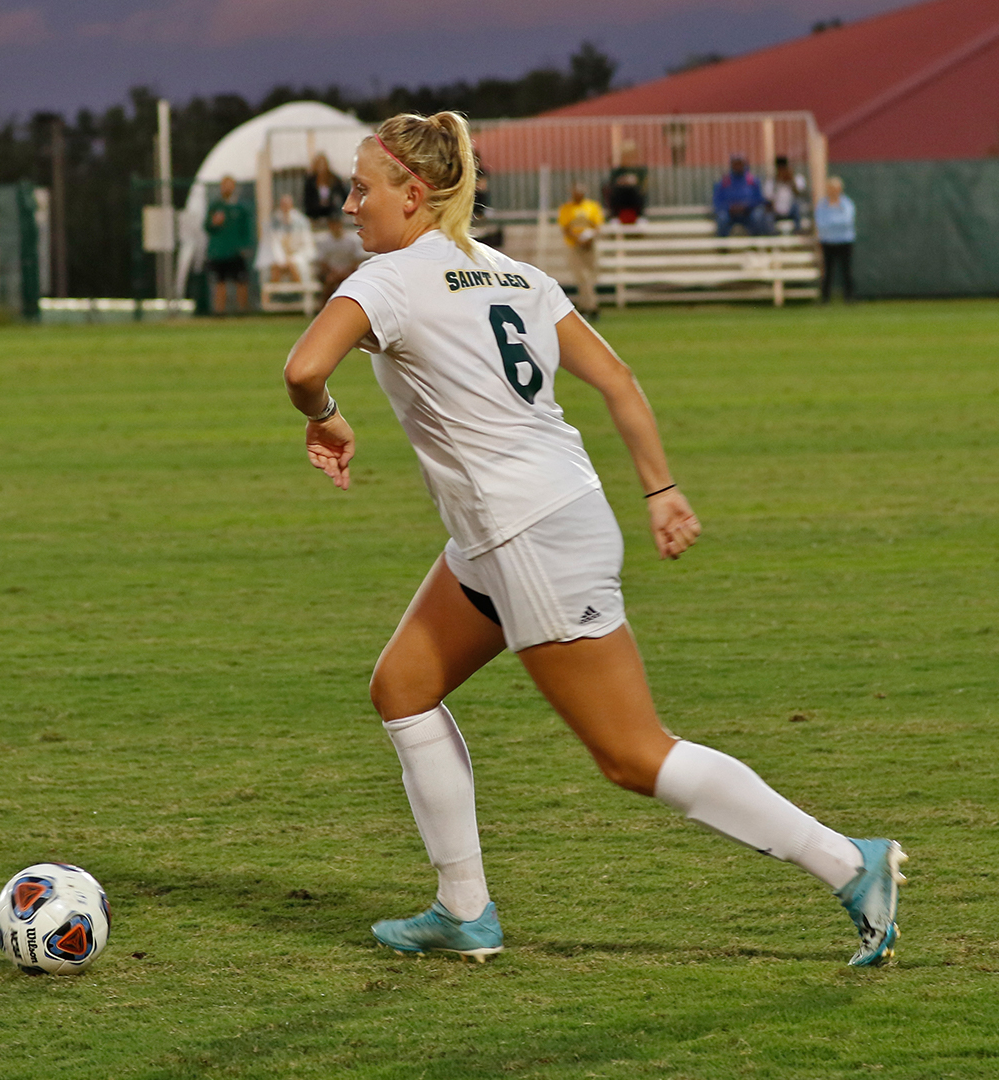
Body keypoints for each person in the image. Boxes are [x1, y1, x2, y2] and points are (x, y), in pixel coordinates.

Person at [283, 111, 908, 968]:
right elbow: (615, 377)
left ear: (414, 195)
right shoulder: (512, 273)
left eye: (362, 188)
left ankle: (849, 863)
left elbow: (303, 369)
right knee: (403, 687)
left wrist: (326, 417)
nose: (350, 204)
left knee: (629, 752)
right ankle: (464, 912)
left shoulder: (384, 279)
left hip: (525, 534)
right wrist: (660, 486)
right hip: (529, 519)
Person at [203, 175, 253, 315]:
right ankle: (219, 313)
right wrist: (214, 222)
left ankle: (243, 312)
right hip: (219, 251)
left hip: (235, 251)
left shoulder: (240, 207)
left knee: (241, 281)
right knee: (220, 282)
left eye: (230, 184)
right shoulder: (216, 206)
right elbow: (207, 226)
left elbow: (246, 229)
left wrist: (245, 245)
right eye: (224, 185)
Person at [557, 182, 603, 318]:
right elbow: (565, 228)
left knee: (591, 277)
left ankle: (585, 306)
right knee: (581, 277)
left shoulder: (592, 207)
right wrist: (578, 240)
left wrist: (588, 239)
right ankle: (591, 306)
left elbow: (597, 225)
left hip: (590, 246)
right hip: (574, 246)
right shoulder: (566, 208)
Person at [814, 176, 856, 303]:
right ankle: (825, 298)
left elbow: (847, 221)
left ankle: (849, 297)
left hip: (845, 241)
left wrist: (831, 222)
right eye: (830, 188)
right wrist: (835, 221)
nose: (833, 191)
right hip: (827, 241)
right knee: (827, 271)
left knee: (846, 270)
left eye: (835, 188)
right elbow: (820, 223)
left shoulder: (846, 203)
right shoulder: (822, 204)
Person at [712, 155, 771, 237]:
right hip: (730, 214)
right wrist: (729, 207)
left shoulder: (752, 181)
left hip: (748, 212)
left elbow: (759, 199)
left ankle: (756, 244)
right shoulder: (724, 182)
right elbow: (717, 201)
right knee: (722, 218)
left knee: (758, 216)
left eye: (740, 164)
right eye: (735, 164)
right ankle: (722, 247)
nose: (738, 166)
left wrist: (747, 206)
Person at [313, 213, 366, 301]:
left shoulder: (351, 240)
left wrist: (346, 271)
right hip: (331, 272)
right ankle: (325, 306)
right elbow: (322, 261)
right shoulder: (325, 242)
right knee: (329, 282)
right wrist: (334, 272)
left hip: (348, 271)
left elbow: (356, 259)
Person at [263, 193, 314, 284]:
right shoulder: (274, 222)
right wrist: (282, 258)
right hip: (280, 257)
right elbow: (273, 244)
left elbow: (307, 244)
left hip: (298, 255)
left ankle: (300, 293)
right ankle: (275, 296)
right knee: (275, 267)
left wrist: (291, 258)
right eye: (283, 204)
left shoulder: (301, 222)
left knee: (293, 265)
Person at [604, 141, 647, 225]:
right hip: (620, 199)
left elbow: (643, 184)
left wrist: (632, 182)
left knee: (635, 190)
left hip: (635, 198)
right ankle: (615, 216)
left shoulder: (641, 170)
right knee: (609, 188)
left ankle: (640, 216)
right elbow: (612, 183)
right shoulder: (616, 171)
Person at [768, 155, 808, 232]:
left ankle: (798, 232)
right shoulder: (772, 181)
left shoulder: (797, 178)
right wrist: (777, 182)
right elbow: (769, 197)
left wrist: (790, 181)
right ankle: (772, 235)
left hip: (792, 210)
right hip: (776, 210)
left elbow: (800, 194)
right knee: (765, 214)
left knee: (797, 206)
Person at [303, 153, 346, 222]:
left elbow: (343, 194)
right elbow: (307, 199)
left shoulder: (334, 179)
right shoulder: (310, 181)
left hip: (332, 212)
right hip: (316, 213)